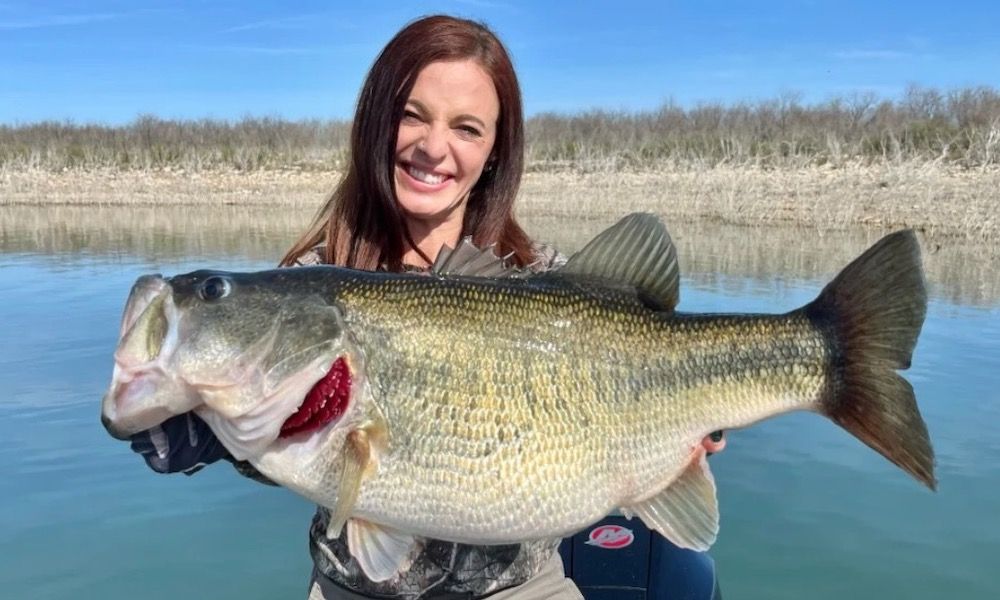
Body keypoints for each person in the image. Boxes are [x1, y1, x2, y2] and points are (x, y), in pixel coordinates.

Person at [129, 14, 725, 600]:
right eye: (411, 115)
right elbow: (295, 437)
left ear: (494, 150)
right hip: (350, 590)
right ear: (375, 123)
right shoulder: (312, 284)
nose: (434, 147)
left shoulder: (543, 278)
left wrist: (696, 410)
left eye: (467, 128)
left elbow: (659, 363)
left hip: (523, 589)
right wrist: (198, 426)